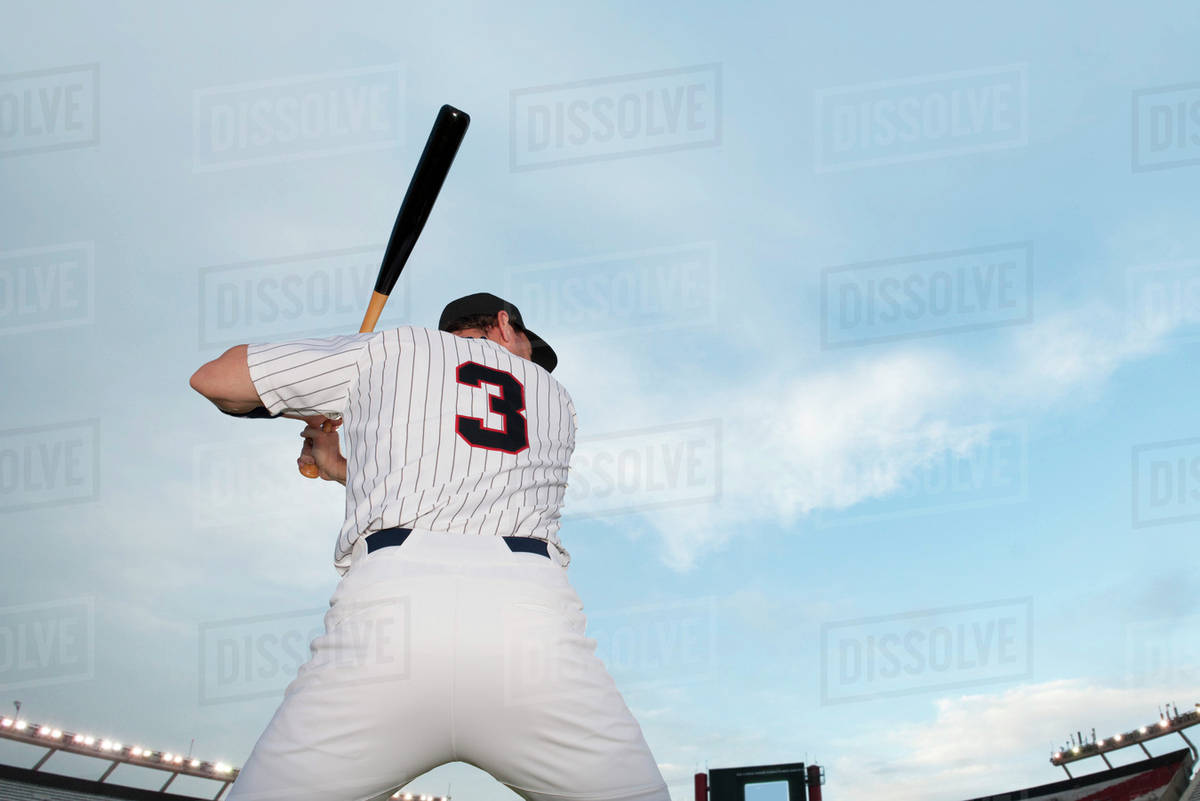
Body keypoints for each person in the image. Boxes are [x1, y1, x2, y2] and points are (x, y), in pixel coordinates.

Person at [189, 293, 669, 801]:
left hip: (390, 618)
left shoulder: (392, 349)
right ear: (504, 326)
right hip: (531, 626)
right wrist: (341, 464)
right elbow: (462, 481)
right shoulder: (557, 397)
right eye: (528, 344)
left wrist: (316, 397)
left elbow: (215, 381)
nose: (530, 360)